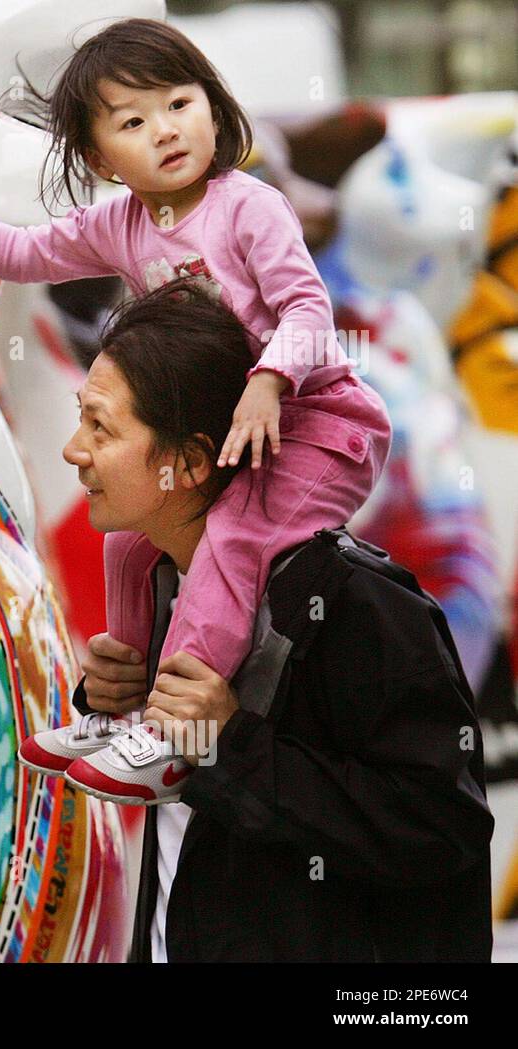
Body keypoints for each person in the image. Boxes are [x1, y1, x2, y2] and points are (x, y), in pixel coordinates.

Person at [0, 17, 393, 805]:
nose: (166, 131)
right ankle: (121, 710)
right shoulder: (123, 224)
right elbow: (18, 251)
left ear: (214, 106)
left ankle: (179, 731)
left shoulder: (250, 207)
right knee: (128, 541)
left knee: (234, 536)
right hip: (228, 439)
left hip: (318, 427)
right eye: (133, 122)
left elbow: (309, 313)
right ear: (101, 157)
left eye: (179, 104)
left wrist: (269, 382)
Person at [62, 279, 492, 961]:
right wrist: (114, 701)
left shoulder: (357, 604)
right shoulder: (160, 589)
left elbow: (445, 829)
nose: (72, 450)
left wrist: (232, 741)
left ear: (191, 460)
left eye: (100, 427)